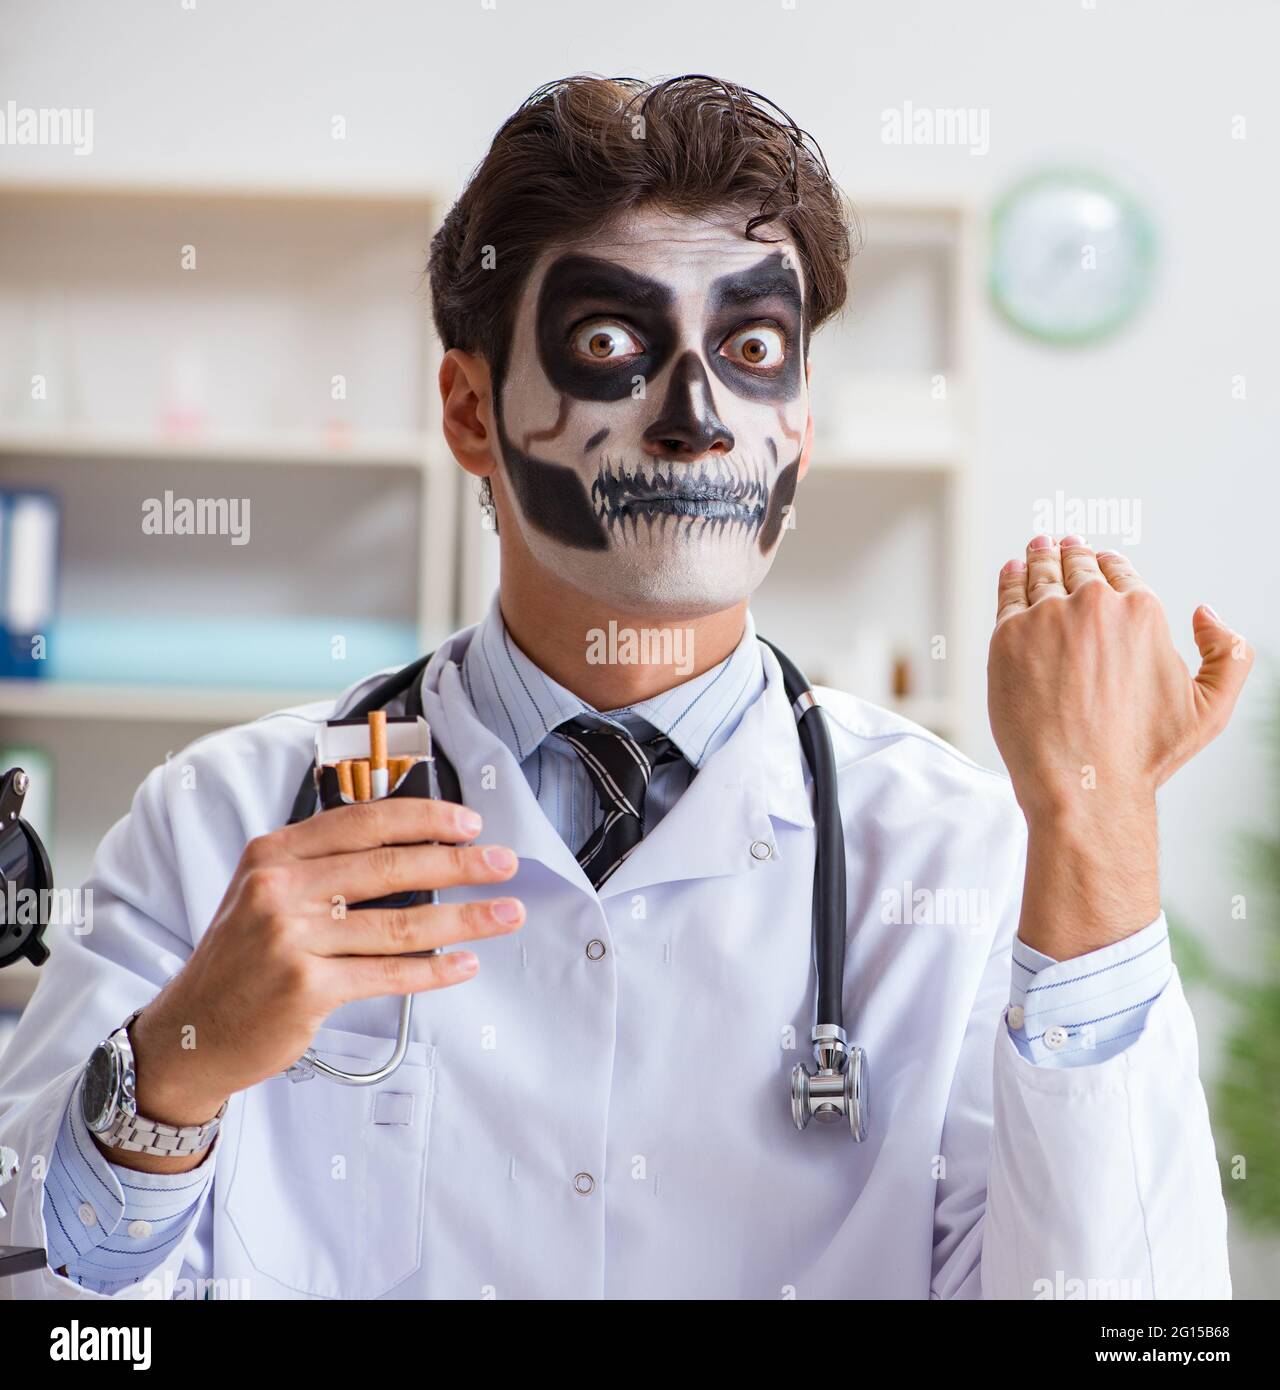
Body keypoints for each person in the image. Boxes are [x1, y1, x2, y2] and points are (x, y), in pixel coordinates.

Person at [0, 74, 1252, 1300]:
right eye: (610, 341)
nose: (695, 418)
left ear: (801, 423)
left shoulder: (960, 859)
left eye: (752, 347)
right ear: (469, 409)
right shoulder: (221, 821)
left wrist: (1096, 829)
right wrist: (172, 1069)